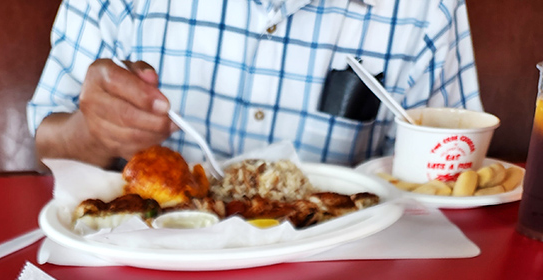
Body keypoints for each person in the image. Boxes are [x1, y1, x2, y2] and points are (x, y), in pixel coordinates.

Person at [28, 1, 482, 170]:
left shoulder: (429, 9)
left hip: (342, 275)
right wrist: (94, 132)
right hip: (148, 258)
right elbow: (45, 146)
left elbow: (450, 176)